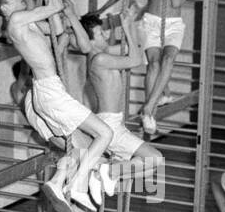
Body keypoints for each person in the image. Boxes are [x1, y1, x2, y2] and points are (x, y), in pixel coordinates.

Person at [0, 0, 112, 212]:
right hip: (48, 91)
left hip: (49, 90)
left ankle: (60, 184)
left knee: (81, 146)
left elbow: (56, 26)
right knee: (104, 134)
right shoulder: (16, 21)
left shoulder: (25, 21)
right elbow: (56, 6)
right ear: (4, 5)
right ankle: (78, 185)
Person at [69, 11, 164, 187]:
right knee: (155, 159)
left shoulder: (101, 55)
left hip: (113, 123)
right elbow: (135, 60)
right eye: (99, 34)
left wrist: (120, 31)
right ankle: (106, 171)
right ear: (89, 41)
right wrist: (127, 27)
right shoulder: (100, 59)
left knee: (148, 168)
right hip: (109, 125)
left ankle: (108, 172)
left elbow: (135, 48)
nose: (104, 35)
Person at [140, 0, 203, 137]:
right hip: (152, 20)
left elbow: (177, 2)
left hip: (173, 24)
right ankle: (149, 110)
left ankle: (149, 109)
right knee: (154, 64)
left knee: (168, 59)